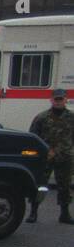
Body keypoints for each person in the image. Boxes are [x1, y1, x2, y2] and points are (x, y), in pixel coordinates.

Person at [29, 88, 72, 224]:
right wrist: (43, 151)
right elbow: (33, 137)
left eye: (61, 99)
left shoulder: (72, 118)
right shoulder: (41, 118)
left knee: (64, 186)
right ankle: (33, 213)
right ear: (51, 100)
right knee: (40, 185)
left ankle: (64, 214)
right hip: (45, 157)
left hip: (65, 157)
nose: (58, 102)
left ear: (66, 100)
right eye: (56, 99)